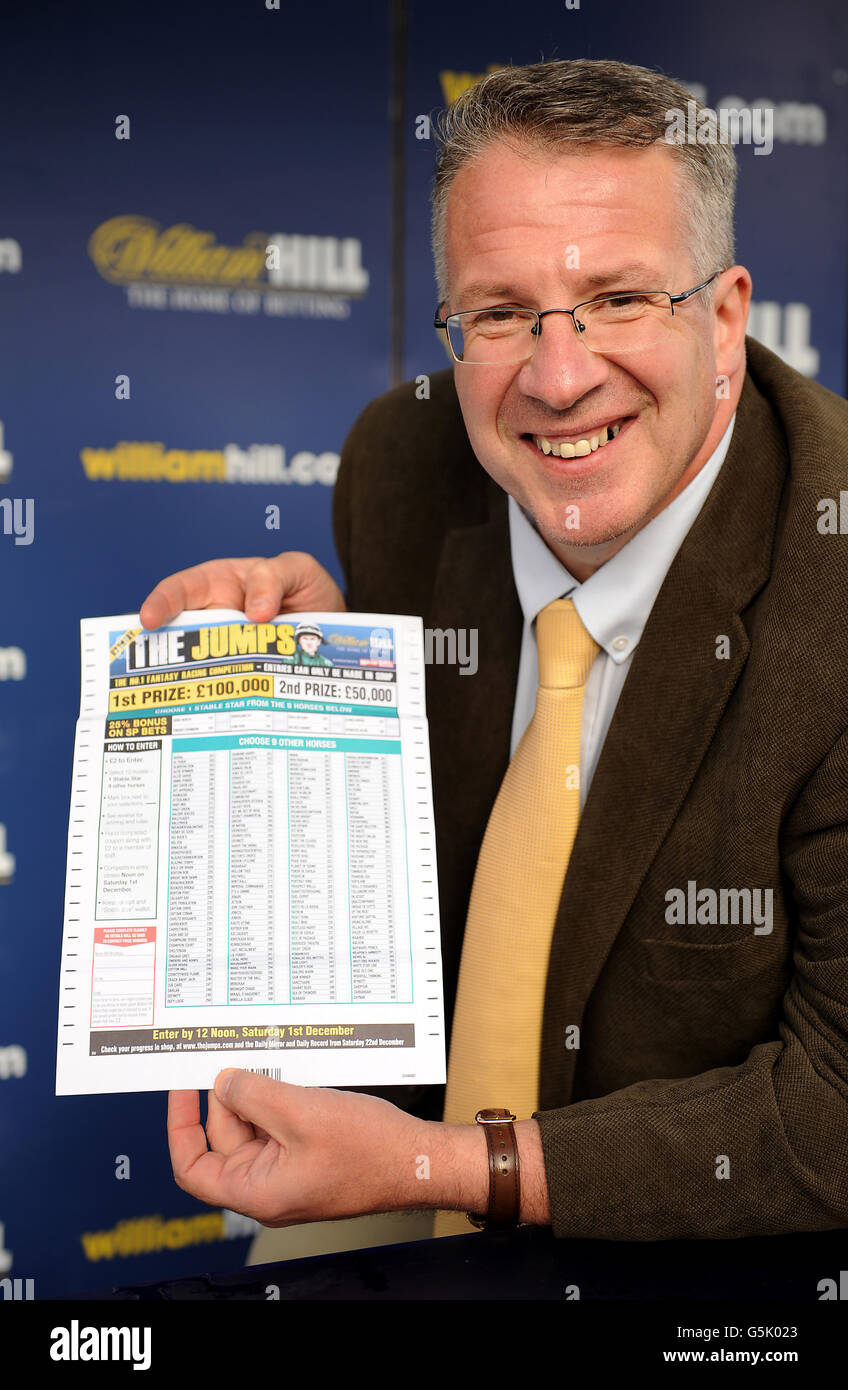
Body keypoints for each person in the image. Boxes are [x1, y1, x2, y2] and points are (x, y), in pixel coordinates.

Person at [152, 58, 848, 1250]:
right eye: (500, 312)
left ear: (725, 318)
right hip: (394, 1151)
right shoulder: (402, 468)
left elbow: (833, 1113)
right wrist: (320, 663)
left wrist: (449, 1164)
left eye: (621, 298)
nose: (559, 375)